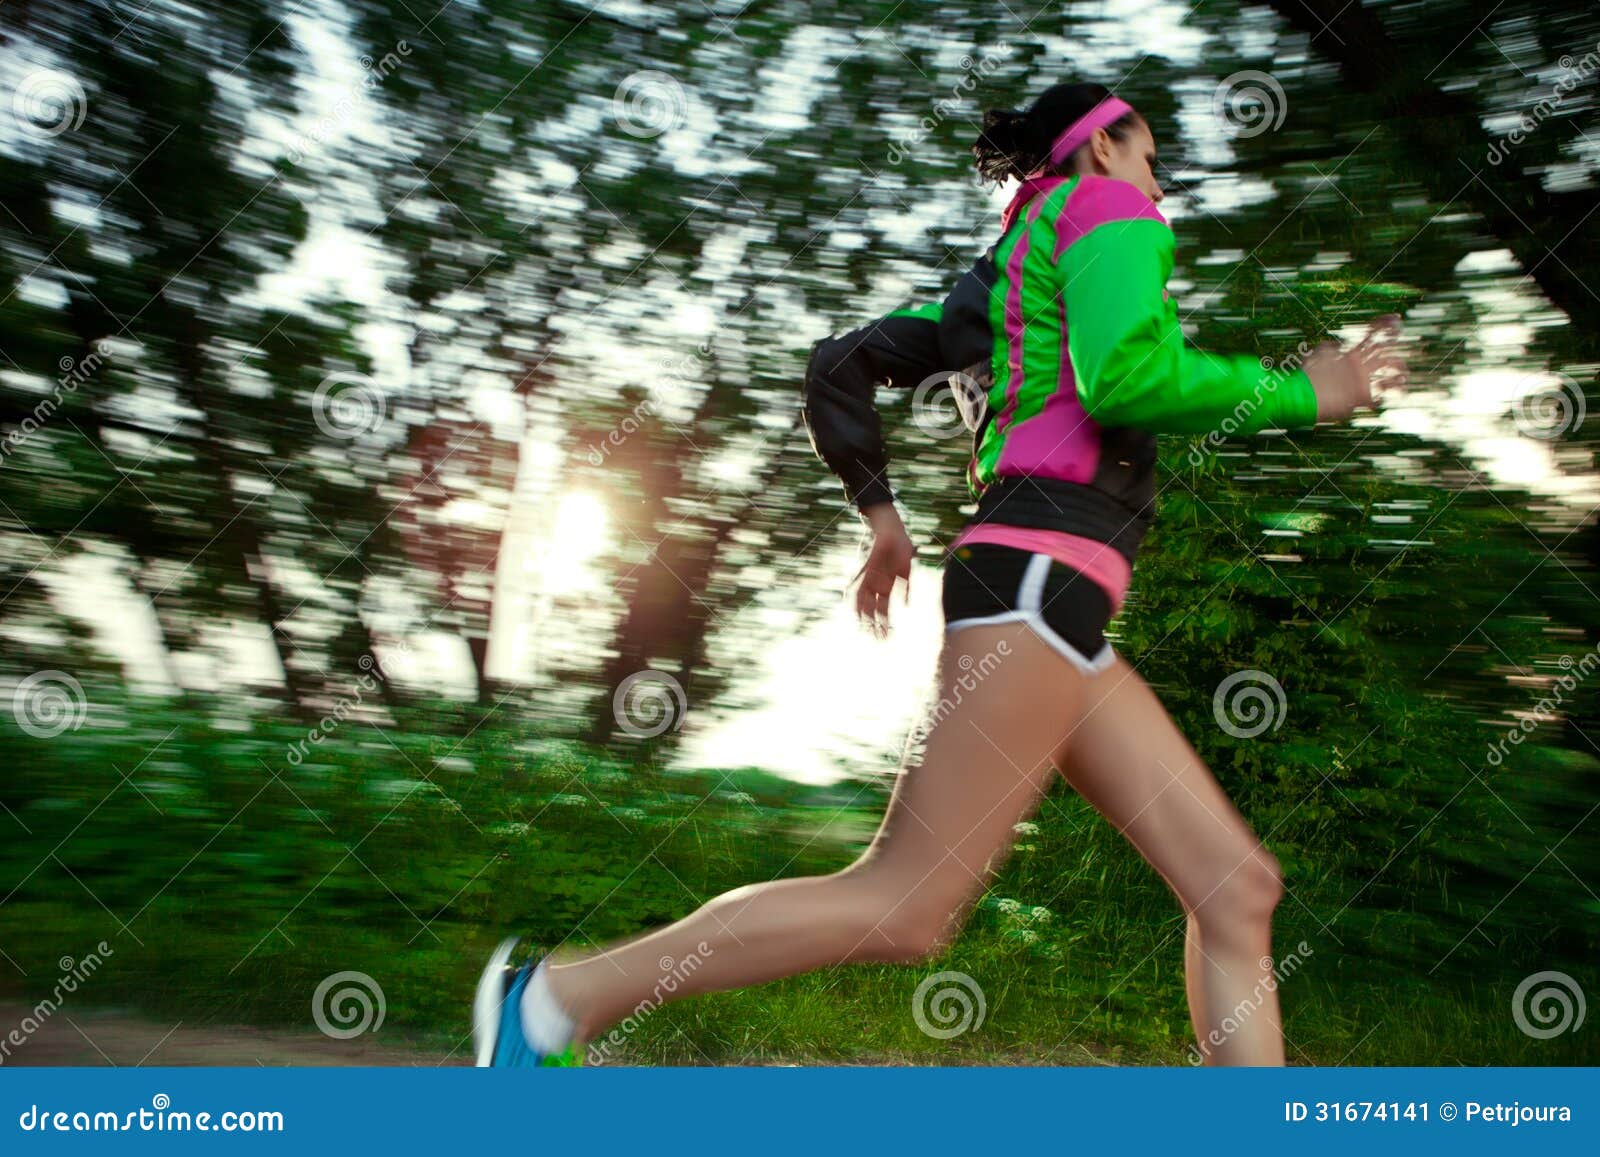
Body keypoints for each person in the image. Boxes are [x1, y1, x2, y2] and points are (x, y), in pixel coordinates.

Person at [474, 81, 1409, 1068]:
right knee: (908, 902)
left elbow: (839, 362)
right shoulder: (1105, 210)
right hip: (1039, 585)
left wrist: (883, 520)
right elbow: (1129, 376)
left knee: (1234, 886)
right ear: (1099, 150)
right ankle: (553, 1000)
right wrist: (1306, 388)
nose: (1156, 177)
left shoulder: (994, 282)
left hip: (1051, 603)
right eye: (1147, 152)